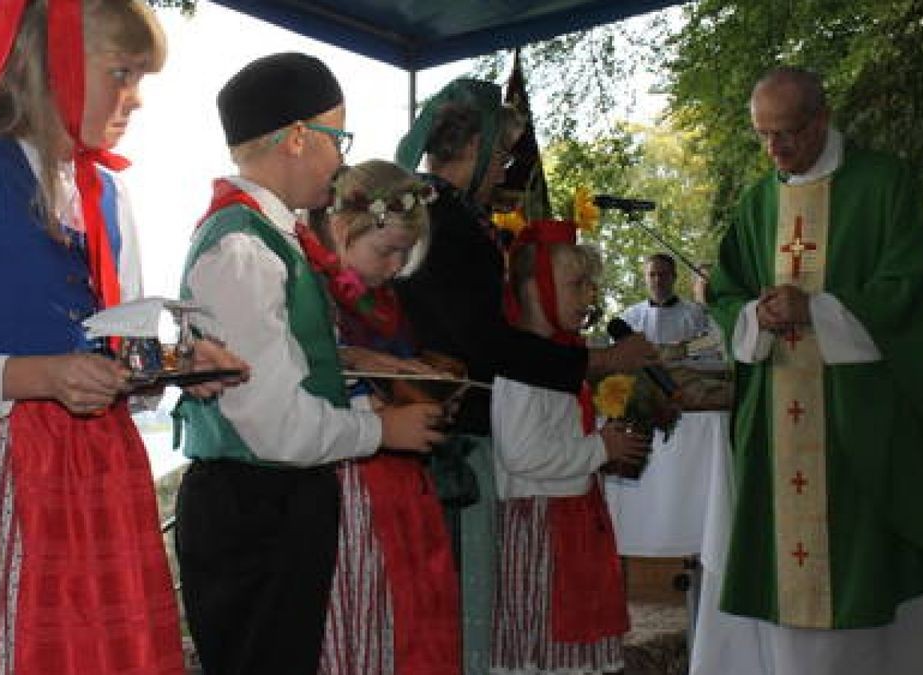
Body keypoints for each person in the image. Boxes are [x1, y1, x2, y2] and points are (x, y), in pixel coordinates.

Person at [0, 2, 244, 673]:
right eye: (122, 72)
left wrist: (174, 364)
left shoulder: (105, 191)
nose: (134, 98)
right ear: (55, 66)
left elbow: (109, 353)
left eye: (142, 78)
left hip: (97, 472)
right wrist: (41, 375)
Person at [174, 53, 445, 675]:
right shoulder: (244, 248)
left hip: (277, 499)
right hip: (255, 504)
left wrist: (355, 367)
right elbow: (276, 425)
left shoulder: (273, 237)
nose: (342, 160)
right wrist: (384, 429)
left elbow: (284, 362)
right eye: (337, 137)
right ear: (298, 137)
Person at [393, 77, 657, 674]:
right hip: (455, 437)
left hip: (440, 424)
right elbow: (488, 345)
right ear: (475, 146)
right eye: (503, 154)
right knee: (469, 607)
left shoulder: (430, 214)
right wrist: (593, 361)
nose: (505, 171)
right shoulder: (452, 226)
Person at [706, 65, 923, 674]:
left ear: (822, 118)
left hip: (863, 424)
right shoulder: (759, 200)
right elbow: (724, 290)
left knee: (871, 573)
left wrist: (816, 310)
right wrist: (755, 317)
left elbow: (910, 290)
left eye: (787, 133)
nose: (774, 150)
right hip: (777, 423)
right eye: (762, 136)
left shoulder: (884, 184)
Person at [300, 159, 460, 674]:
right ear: (345, 228)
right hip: (345, 484)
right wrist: (376, 397)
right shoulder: (311, 289)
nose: (395, 267)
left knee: (404, 624)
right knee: (360, 624)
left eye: (404, 255)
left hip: (396, 480)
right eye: (387, 250)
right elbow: (304, 381)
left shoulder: (383, 301)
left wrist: (425, 386)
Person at [491, 219, 650, 674]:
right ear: (537, 285)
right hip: (542, 527)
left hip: (566, 518)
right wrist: (600, 448)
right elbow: (520, 454)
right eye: (577, 285)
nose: (589, 298)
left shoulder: (555, 356)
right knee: (543, 657)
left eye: (590, 286)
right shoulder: (525, 363)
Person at [620, 252, 709, 345]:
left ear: (674, 277)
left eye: (663, 274)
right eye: (652, 275)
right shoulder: (630, 317)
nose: (657, 280)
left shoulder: (695, 314)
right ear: (645, 278)